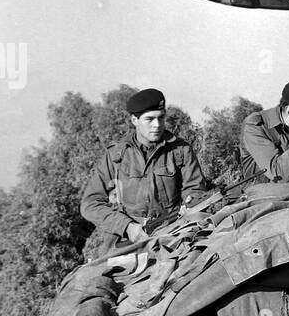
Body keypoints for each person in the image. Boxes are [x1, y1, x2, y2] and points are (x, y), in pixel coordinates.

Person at [80, 88, 207, 258]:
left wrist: (189, 207)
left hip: (173, 231)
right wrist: (127, 226)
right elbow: (90, 204)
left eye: (161, 118)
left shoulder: (180, 150)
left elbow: (195, 190)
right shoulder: (116, 155)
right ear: (134, 120)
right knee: (98, 279)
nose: (157, 125)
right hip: (128, 237)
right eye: (149, 119)